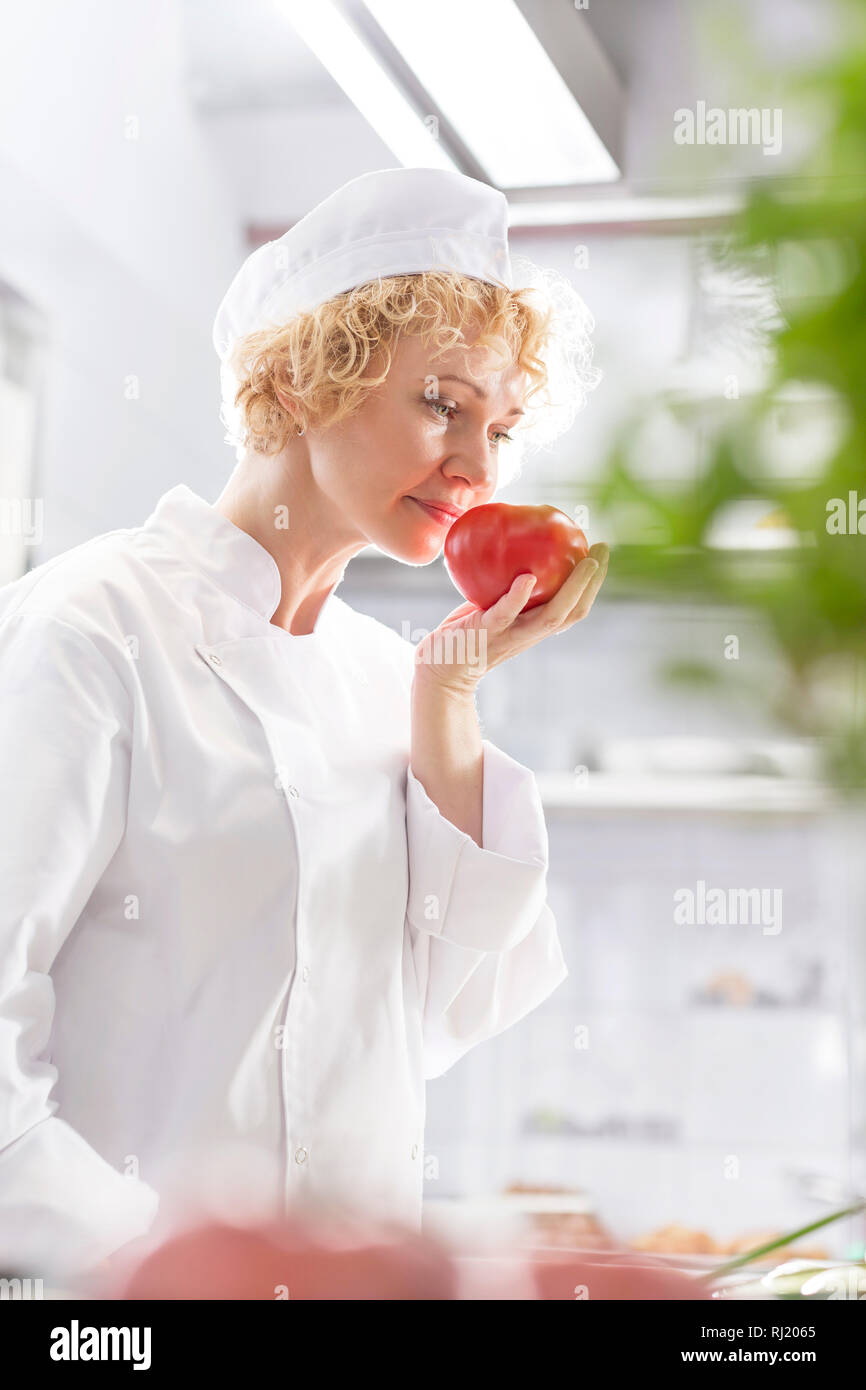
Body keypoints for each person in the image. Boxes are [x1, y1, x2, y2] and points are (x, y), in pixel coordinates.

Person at [0, 167, 608, 1285]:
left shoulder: (386, 677)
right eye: (442, 403)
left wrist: (449, 701)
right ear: (298, 376)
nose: (477, 467)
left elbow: (441, 1013)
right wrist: (168, 1263)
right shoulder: (91, 630)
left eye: (501, 426)